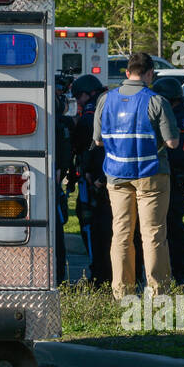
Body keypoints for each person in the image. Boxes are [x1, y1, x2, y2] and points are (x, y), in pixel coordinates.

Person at [91, 52, 179, 298]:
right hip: (151, 174)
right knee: (152, 234)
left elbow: (98, 140)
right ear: (150, 74)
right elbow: (172, 142)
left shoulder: (105, 100)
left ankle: (122, 293)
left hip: (117, 175)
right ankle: (158, 291)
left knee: (121, 233)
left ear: (127, 73)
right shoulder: (156, 101)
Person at [153, 78, 184, 286]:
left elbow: (176, 149)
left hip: (171, 174)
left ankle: (176, 272)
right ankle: (177, 273)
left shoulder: (174, 117)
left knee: (167, 225)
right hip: (181, 176)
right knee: (173, 224)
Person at [69, 74, 112, 285]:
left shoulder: (89, 117)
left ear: (87, 94)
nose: (78, 102)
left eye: (79, 98)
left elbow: (83, 148)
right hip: (112, 177)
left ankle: (99, 275)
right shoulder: (110, 105)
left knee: (91, 226)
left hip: (94, 181)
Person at [53, 78, 74, 285]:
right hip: (55, 181)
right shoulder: (62, 124)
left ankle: (58, 274)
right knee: (58, 226)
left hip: (54, 179)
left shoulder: (60, 124)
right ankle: (58, 275)